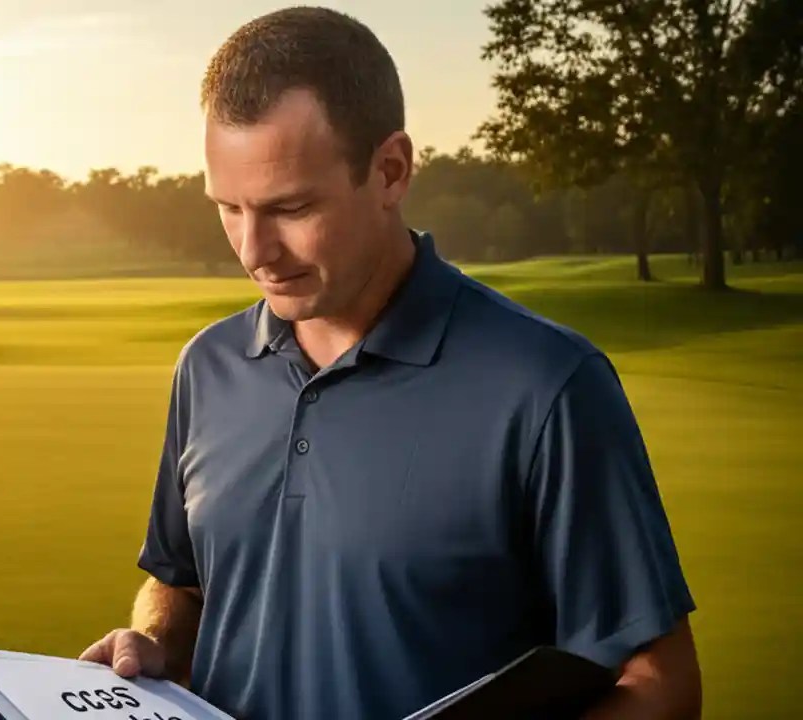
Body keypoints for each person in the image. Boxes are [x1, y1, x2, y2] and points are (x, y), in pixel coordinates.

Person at [79, 7, 701, 719]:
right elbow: (182, 583)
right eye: (229, 207)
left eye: (291, 207)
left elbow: (662, 686)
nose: (254, 251)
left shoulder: (547, 387)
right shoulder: (208, 367)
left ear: (391, 171)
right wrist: (155, 642)